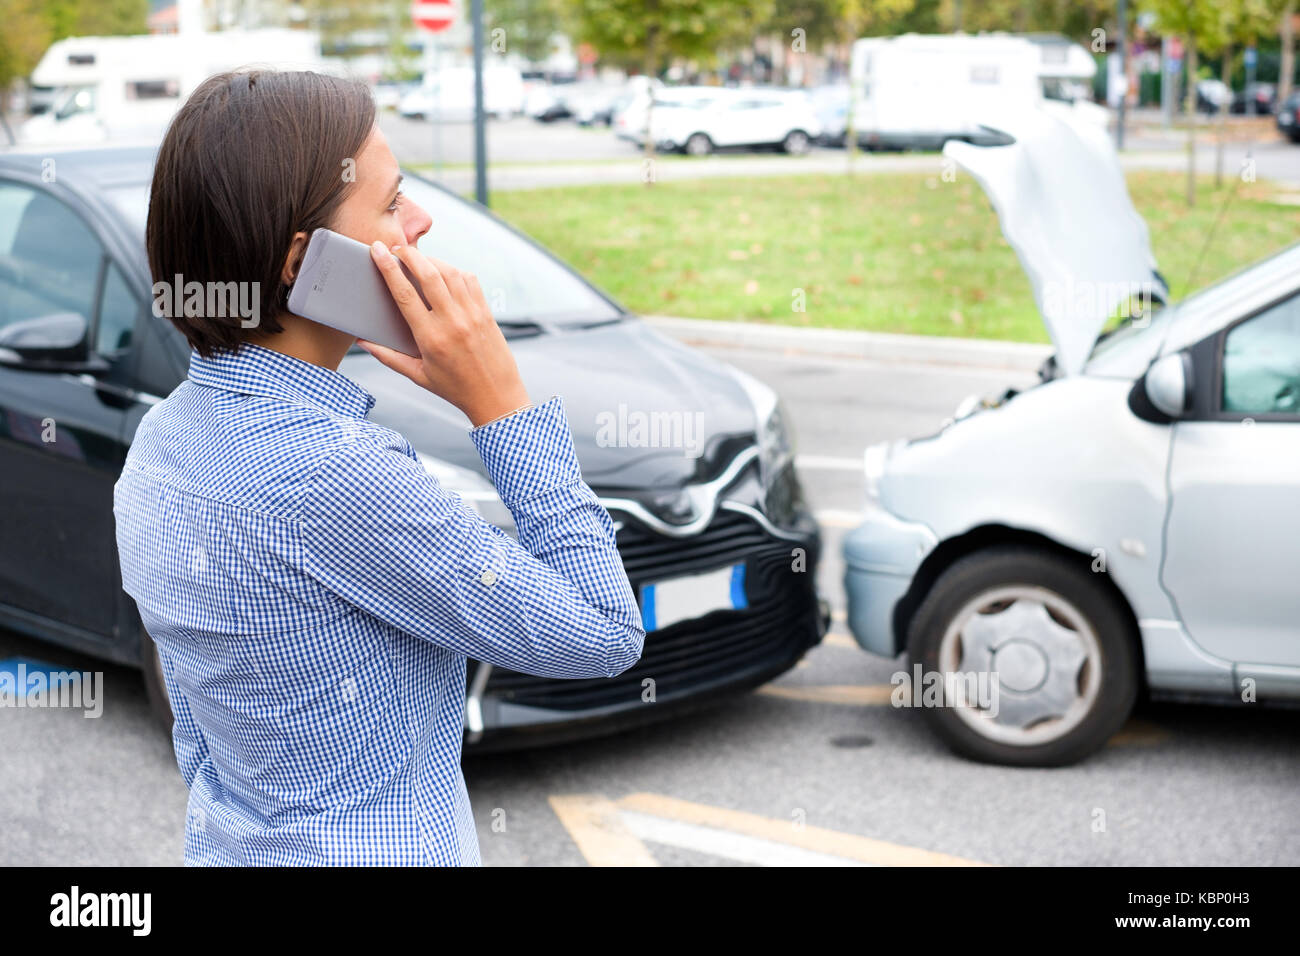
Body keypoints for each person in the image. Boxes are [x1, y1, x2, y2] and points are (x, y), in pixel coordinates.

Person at [112, 68, 645, 866]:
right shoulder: (332, 474)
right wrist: (502, 408)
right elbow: (601, 635)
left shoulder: (160, 443)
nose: (423, 220)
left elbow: (202, 728)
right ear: (303, 260)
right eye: (393, 203)